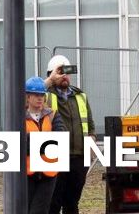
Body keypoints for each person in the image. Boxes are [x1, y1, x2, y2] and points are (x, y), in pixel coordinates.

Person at [44, 55, 94, 214]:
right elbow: (24, 96)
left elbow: (90, 124)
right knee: (54, 202)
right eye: (60, 72)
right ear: (51, 74)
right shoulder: (44, 95)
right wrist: (49, 82)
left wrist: (91, 141)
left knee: (72, 203)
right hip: (56, 157)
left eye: (67, 71)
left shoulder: (80, 96)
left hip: (79, 157)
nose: (64, 75)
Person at [25, 76, 65, 214]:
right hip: (27, 174)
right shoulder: (18, 117)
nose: (40, 98)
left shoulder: (53, 115)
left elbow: (60, 141)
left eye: (42, 94)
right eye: (36, 95)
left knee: (38, 211)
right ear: (28, 97)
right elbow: (18, 144)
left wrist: (32, 142)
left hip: (49, 174)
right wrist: (46, 143)